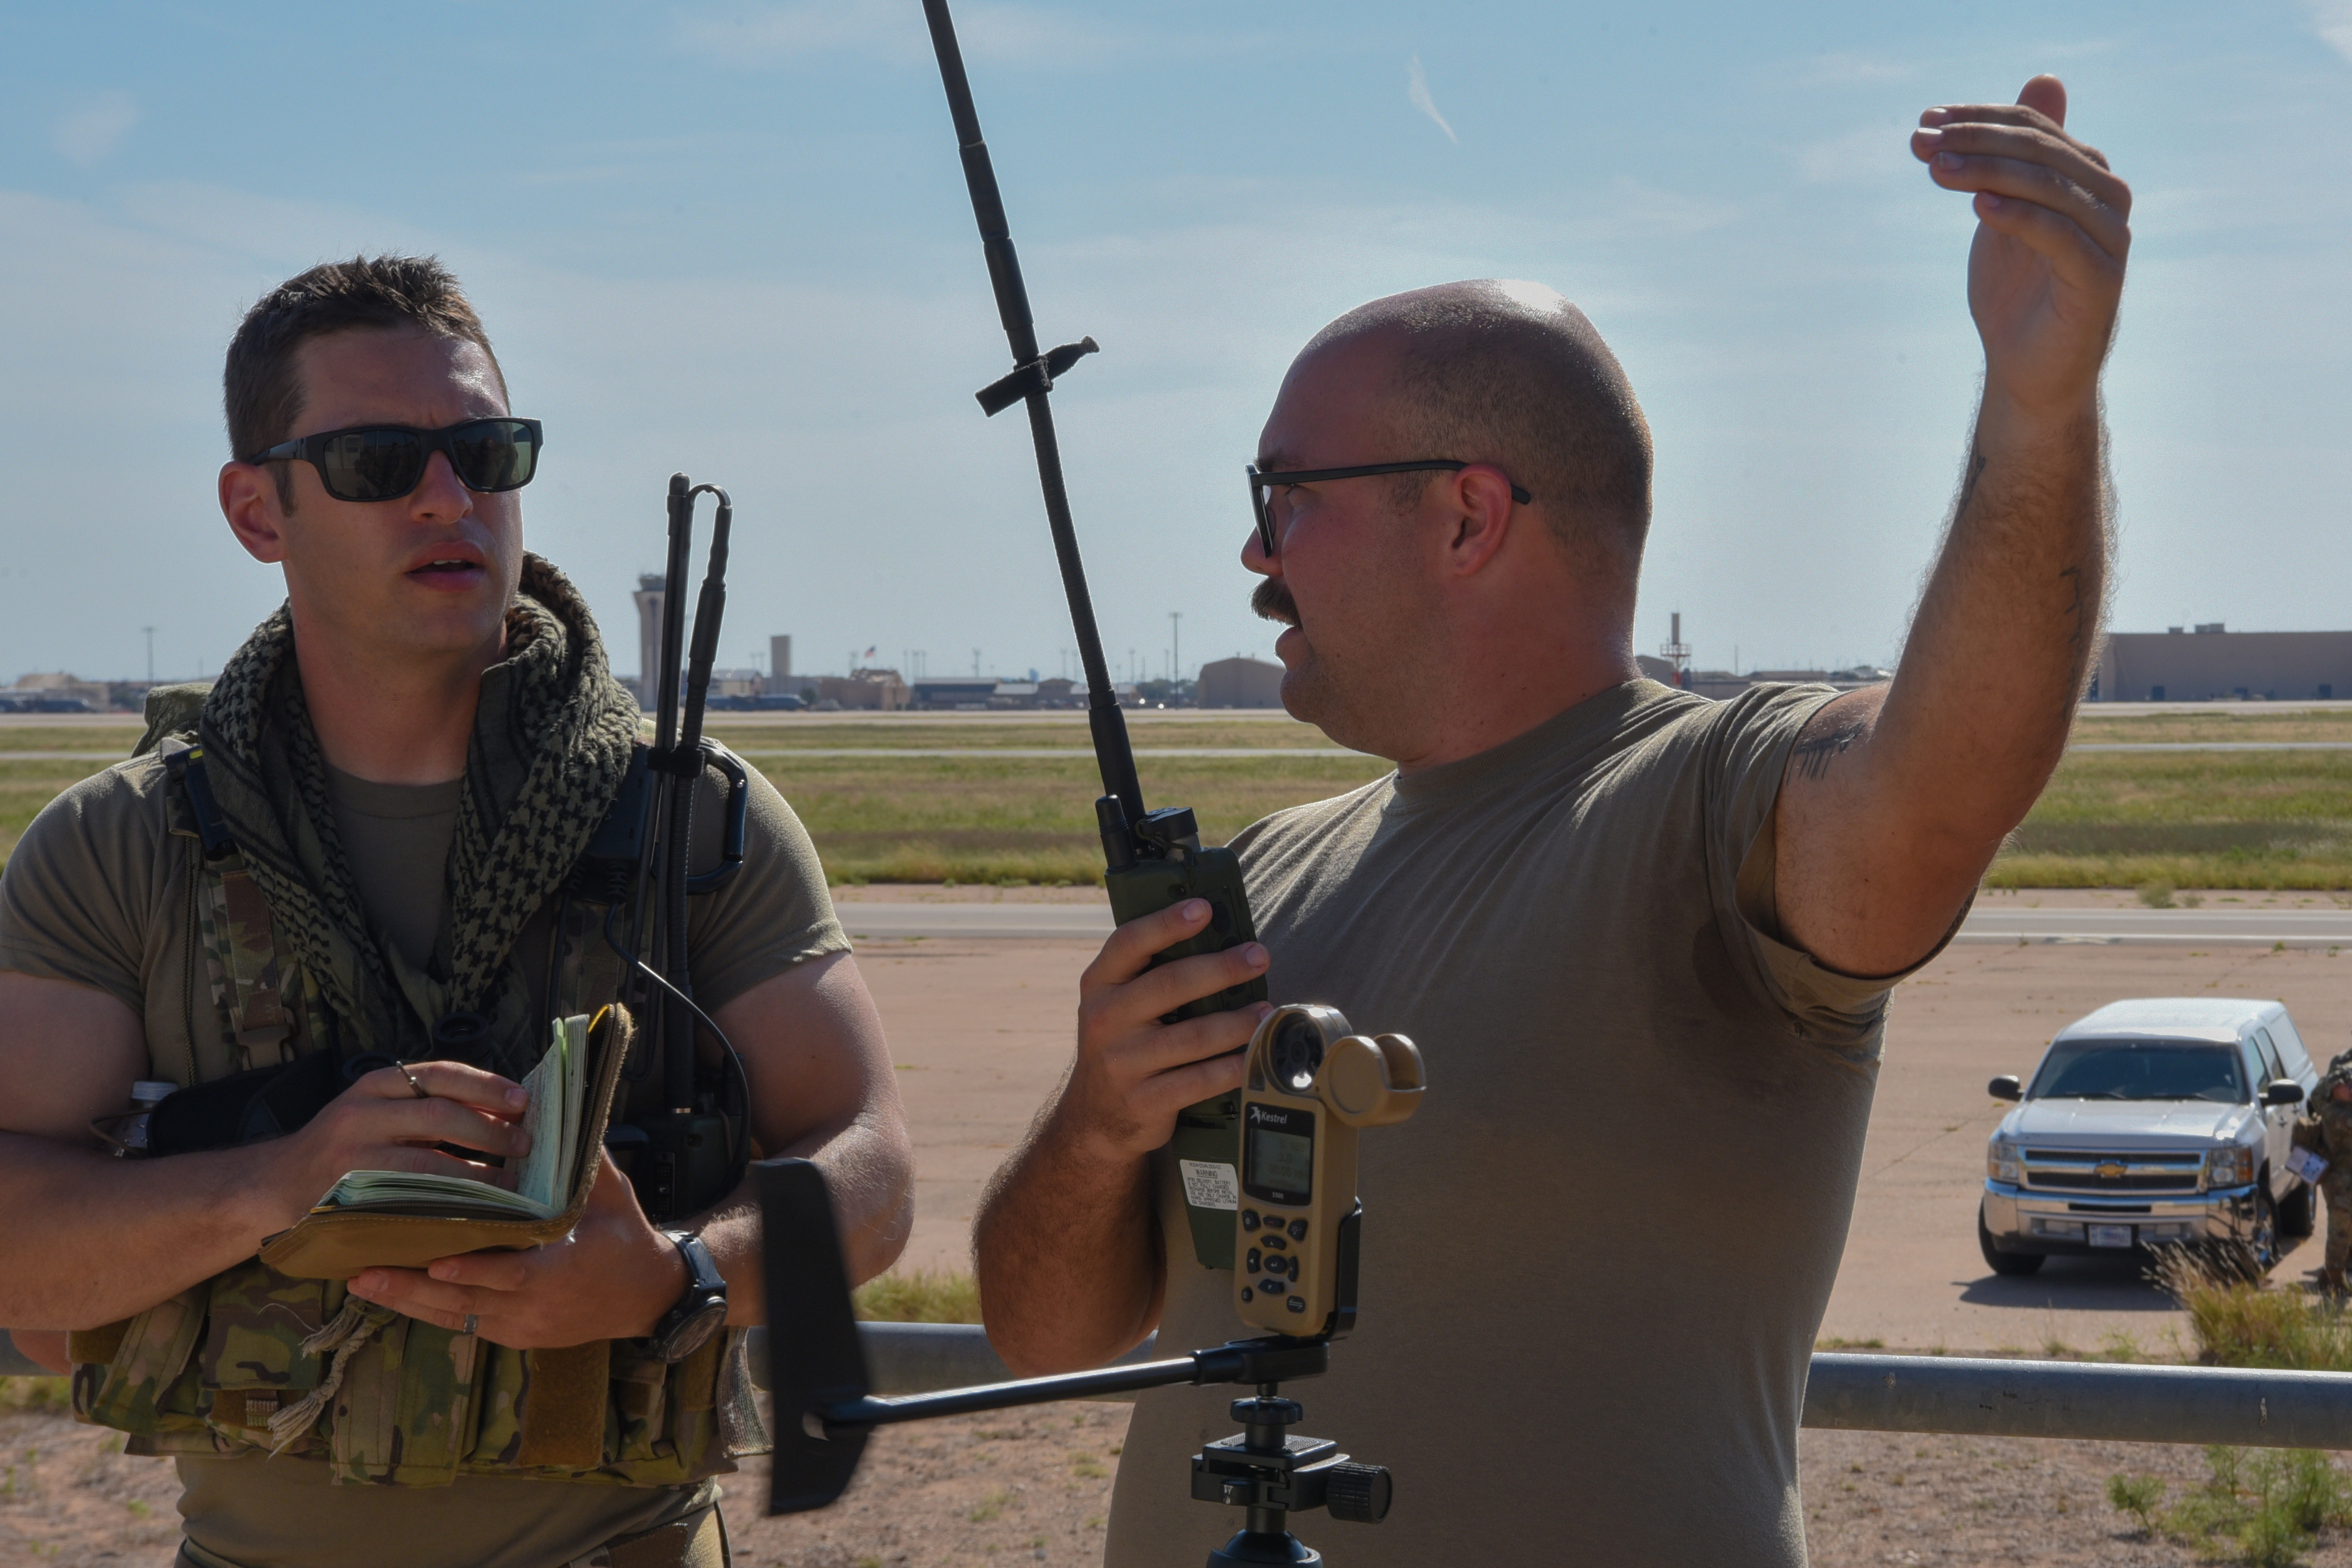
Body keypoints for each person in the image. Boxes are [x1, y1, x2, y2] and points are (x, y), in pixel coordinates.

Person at [973, 76, 2129, 1566]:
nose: (1253, 550)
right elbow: (1039, 1329)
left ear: (1466, 515)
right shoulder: (1255, 880)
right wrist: (1095, 1120)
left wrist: (2038, 415)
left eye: (1284, 492)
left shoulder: (1700, 805)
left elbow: (1937, 776)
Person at [0, 256, 914, 1568]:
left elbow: (871, 1180)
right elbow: (21, 1264)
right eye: (378, 460)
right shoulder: (125, 847)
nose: (451, 497)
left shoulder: (692, 826)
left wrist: (672, 1275)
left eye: (487, 451)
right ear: (258, 510)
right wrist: (274, 1181)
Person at [2294, 1058, 2352, 1294]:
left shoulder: (2326, 1104)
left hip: (2342, 1180)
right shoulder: (2337, 1114)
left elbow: (2320, 1089)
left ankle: (2330, 1277)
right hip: (2340, 1182)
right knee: (2339, 1231)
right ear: (2334, 1091)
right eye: (2346, 1085)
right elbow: (2320, 1090)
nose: (2349, 1087)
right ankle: (2336, 1280)